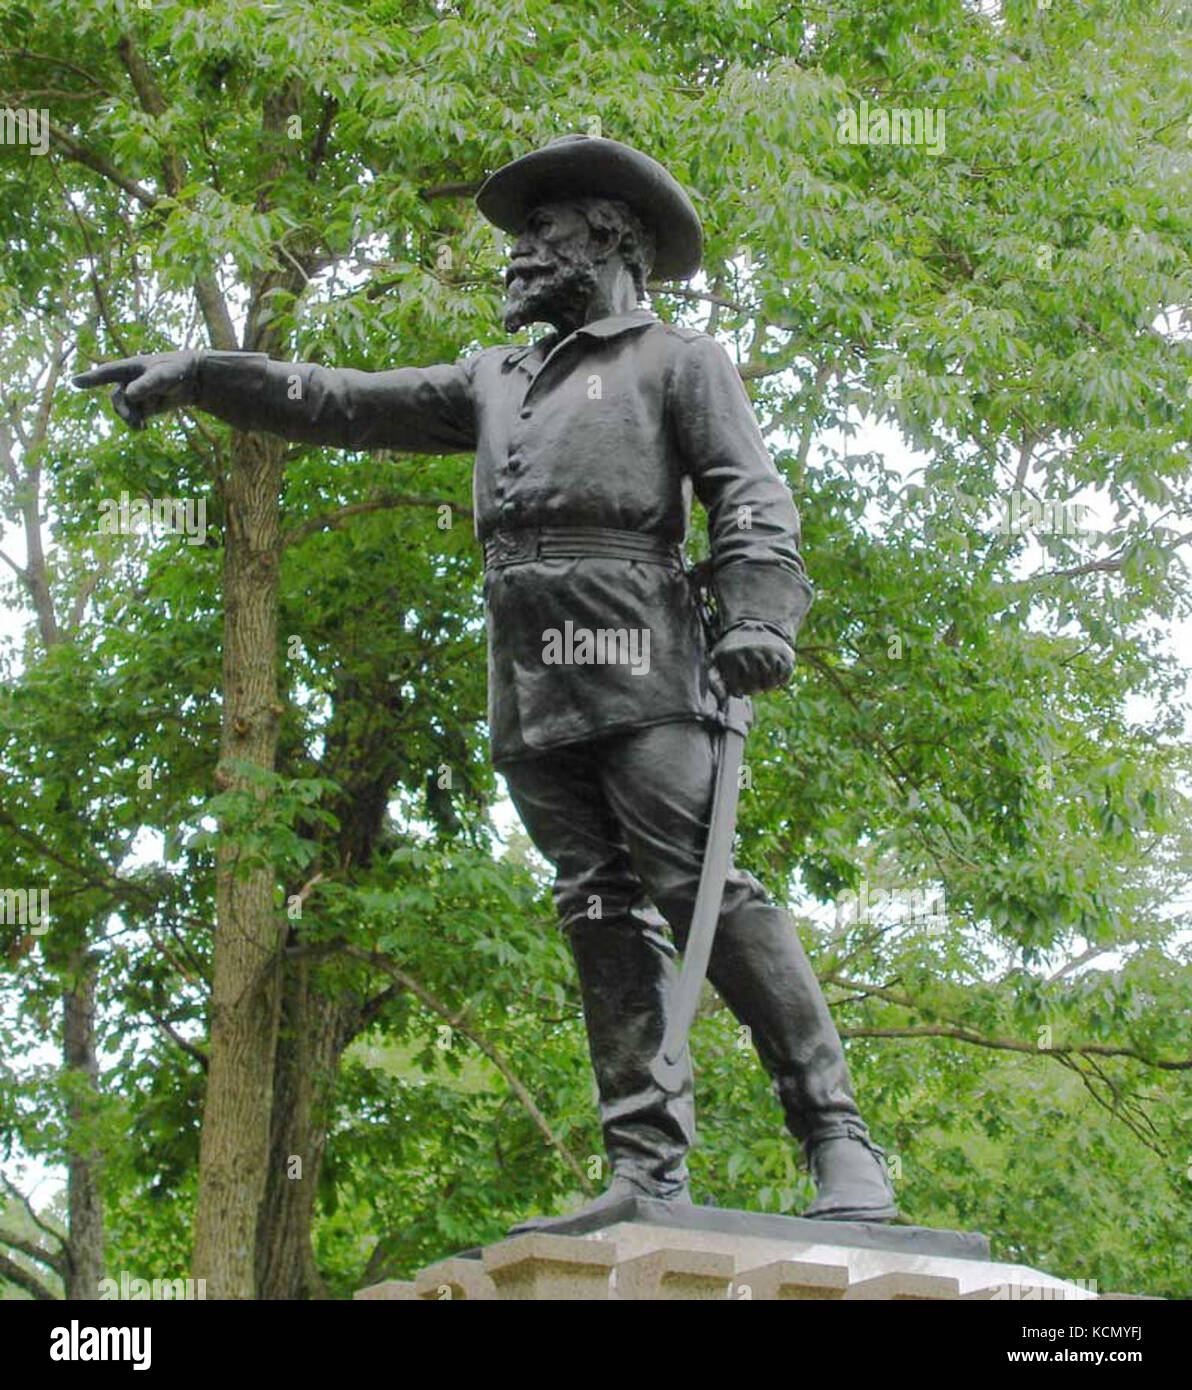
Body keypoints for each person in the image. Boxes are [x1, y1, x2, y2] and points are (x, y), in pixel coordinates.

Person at [75, 133, 897, 1228]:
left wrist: (757, 617)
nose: (512, 259)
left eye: (538, 237)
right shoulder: (491, 379)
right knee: (597, 911)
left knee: (705, 891)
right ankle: (644, 1165)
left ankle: (838, 1140)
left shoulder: (676, 361)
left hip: (643, 660)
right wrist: (201, 375)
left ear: (606, 239)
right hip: (530, 680)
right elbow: (337, 400)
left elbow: (750, 497)